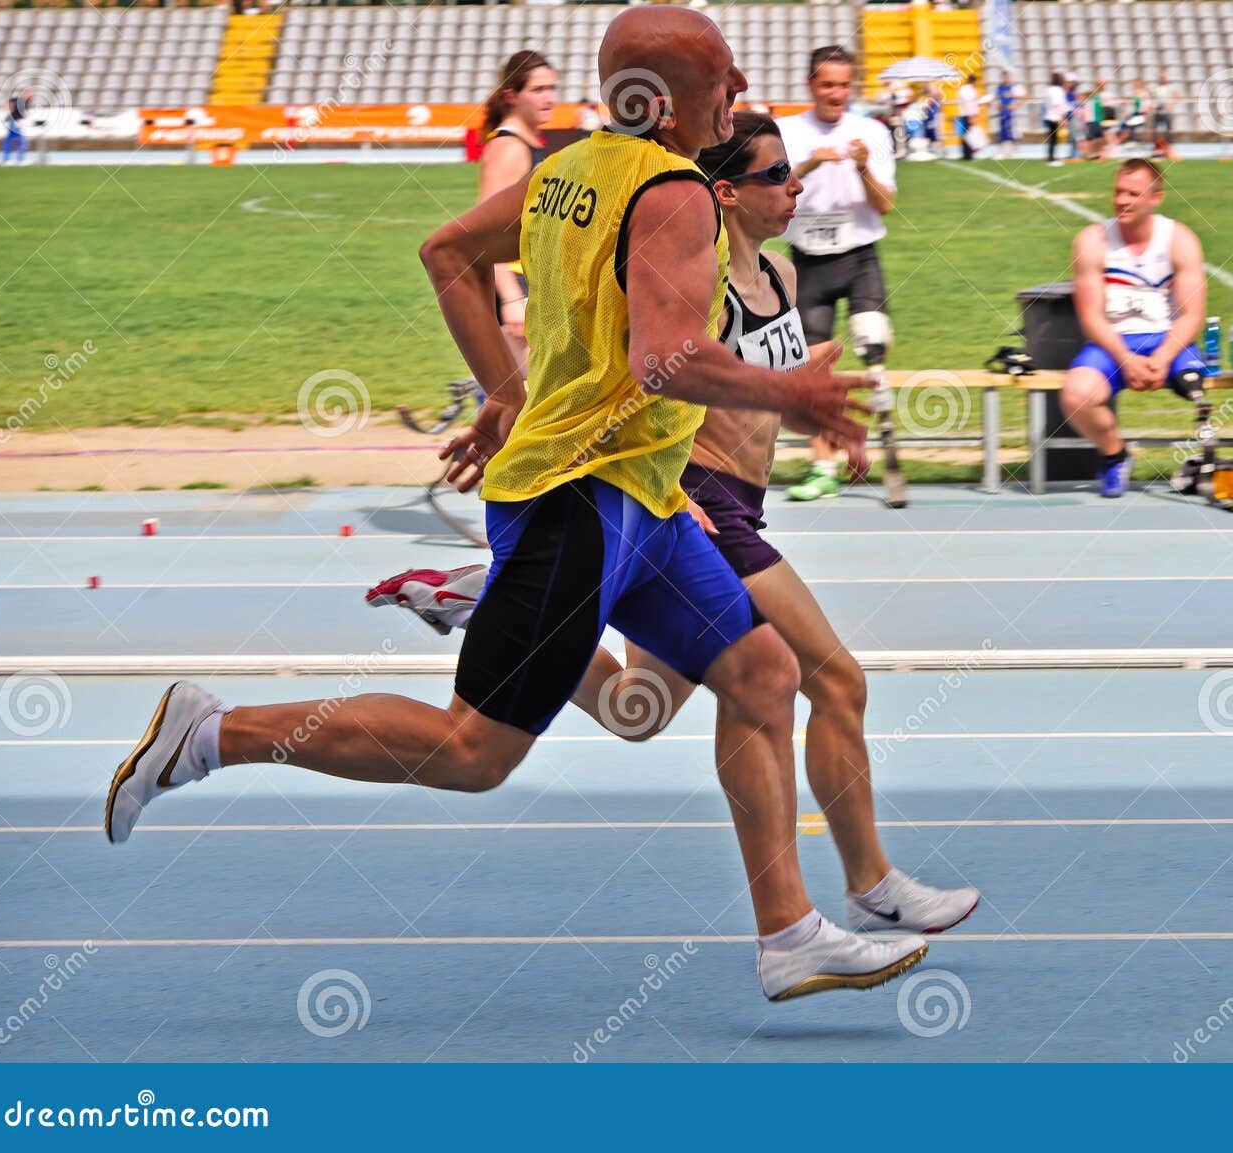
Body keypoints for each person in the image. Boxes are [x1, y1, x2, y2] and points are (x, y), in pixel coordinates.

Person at [104, 7, 929, 1004]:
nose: (736, 79)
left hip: (642, 498)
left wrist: (504, 387)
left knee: (761, 673)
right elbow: (661, 358)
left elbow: (444, 254)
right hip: (571, 503)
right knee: (473, 752)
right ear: (665, 97)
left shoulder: (571, 171)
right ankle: (212, 732)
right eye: (719, 69)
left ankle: (789, 931)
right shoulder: (672, 195)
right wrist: (789, 393)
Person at [369, 112, 980, 937]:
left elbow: (770, 396)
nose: (795, 186)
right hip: (702, 503)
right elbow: (641, 379)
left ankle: (495, 599)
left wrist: (823, 421)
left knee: (638, 709)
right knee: (833, 679)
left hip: (740, 504)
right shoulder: (698, 285)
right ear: (724, 193)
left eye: (793, 172)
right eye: (775, 175)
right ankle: (869, 883)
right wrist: (653, 482)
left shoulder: (786, 278)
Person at [776, 45, 898, 502]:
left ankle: (882, 447)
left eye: (844, 85)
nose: (836, 94)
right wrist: (808, 165)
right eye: (828, 84)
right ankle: (822, 465)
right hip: (808, 260)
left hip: (860, 256)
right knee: (813, 369)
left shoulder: (871, 132)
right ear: (811, 85)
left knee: (873, 350)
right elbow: (770, 194)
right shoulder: (787, 131)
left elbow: (885, 205)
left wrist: (864, 166)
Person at [1062, 159, 1209, 498]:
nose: (1122, 201)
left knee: (1197, 386)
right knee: (1075, 395)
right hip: (1113, 342)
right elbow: (1091, 317)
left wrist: (1162, 357)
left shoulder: (1180, 239)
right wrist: (1126, 359)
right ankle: (1115, 455)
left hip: (1168, 339)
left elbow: (1191, 315)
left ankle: (1208, 461)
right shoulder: (1092, 241)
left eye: (1133, 193)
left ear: (1155, 198)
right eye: (1118, 192)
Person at [480, 51, 557, 382]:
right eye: (538, 90)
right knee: (534, 399)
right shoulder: (508, 148)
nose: (550, 98)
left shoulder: (527, 143)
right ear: (512, 95)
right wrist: (511, 297)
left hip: (533, 281)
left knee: (533, 400)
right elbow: (486, 231)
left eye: (552, 88)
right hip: (514, 284)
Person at [1042, 71, 1069, 165]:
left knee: (1052, 138)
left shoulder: (1049, 89)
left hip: (1049, 116)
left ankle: (1051, 156)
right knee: (1054, 138)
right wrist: (1062, 118)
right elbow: (1057, 105)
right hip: (1055, 117)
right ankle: (1052, 158)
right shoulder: (1057, 90)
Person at [955, 72, 981, 161]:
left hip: (966, 114)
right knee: (969, 136)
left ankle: (966, 154)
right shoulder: (968, 90)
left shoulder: (965, 89)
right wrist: (972, 116)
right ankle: (968, 155)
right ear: (973, 81)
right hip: (967, 115)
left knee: (966, 135)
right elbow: (968, 103)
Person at [995, 70, 1024, 153]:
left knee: (1013, 132)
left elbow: (1024, 96)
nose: (1005, 79)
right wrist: (997, 105)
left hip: (1012, 114)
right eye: (1003, 77)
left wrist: (1016, 105)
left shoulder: (1013, 88)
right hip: (1003, 113)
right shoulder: (999, 88)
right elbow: (995, 99)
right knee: (1003, 132)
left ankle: (1015, 150)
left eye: (1006, 77)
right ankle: (1003, 150)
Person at [1, 87, 29, 165]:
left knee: (13, 140)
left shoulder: (23, 101)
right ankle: (17, 159)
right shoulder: (16, 100)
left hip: (17, 122)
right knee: (19, 140)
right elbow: (8, 106)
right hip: (14, 122)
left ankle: (9, 159)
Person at [1151, 71, 1177, 145]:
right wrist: (1153, 105)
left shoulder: (1170, 87)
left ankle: (1169, 144)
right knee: (1155, 128)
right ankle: (1156, 143)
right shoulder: (1155, 88)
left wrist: (1171, 105)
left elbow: (1177, 96)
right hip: (1157, 110)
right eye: (1160, 78)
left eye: (1163, 78)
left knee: (1168, 128)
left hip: (1167, 110)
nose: (1162, 79)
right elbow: (1152, 98)